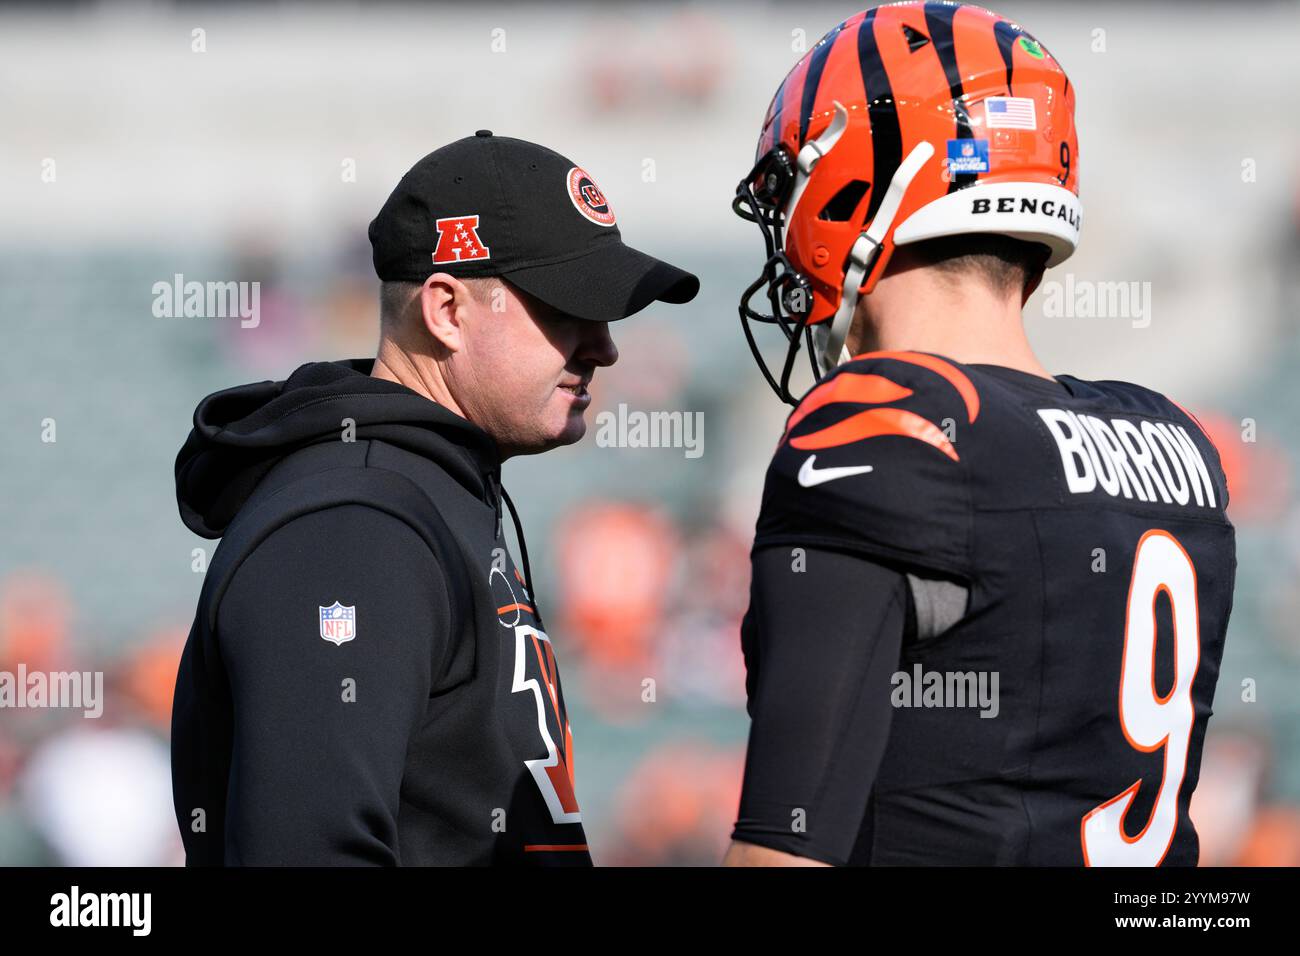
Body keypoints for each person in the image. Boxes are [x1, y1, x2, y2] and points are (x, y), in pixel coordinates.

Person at [724, 3, 1234, 866]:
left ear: (852, 184)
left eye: (792, 185)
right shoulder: (1176, 444)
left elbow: (786, 849)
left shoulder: (884, 426)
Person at [170, 131, 698, 865]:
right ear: (446, 310)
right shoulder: (351, 526)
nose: (603, 347)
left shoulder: (425, 495)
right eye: (568, 308)